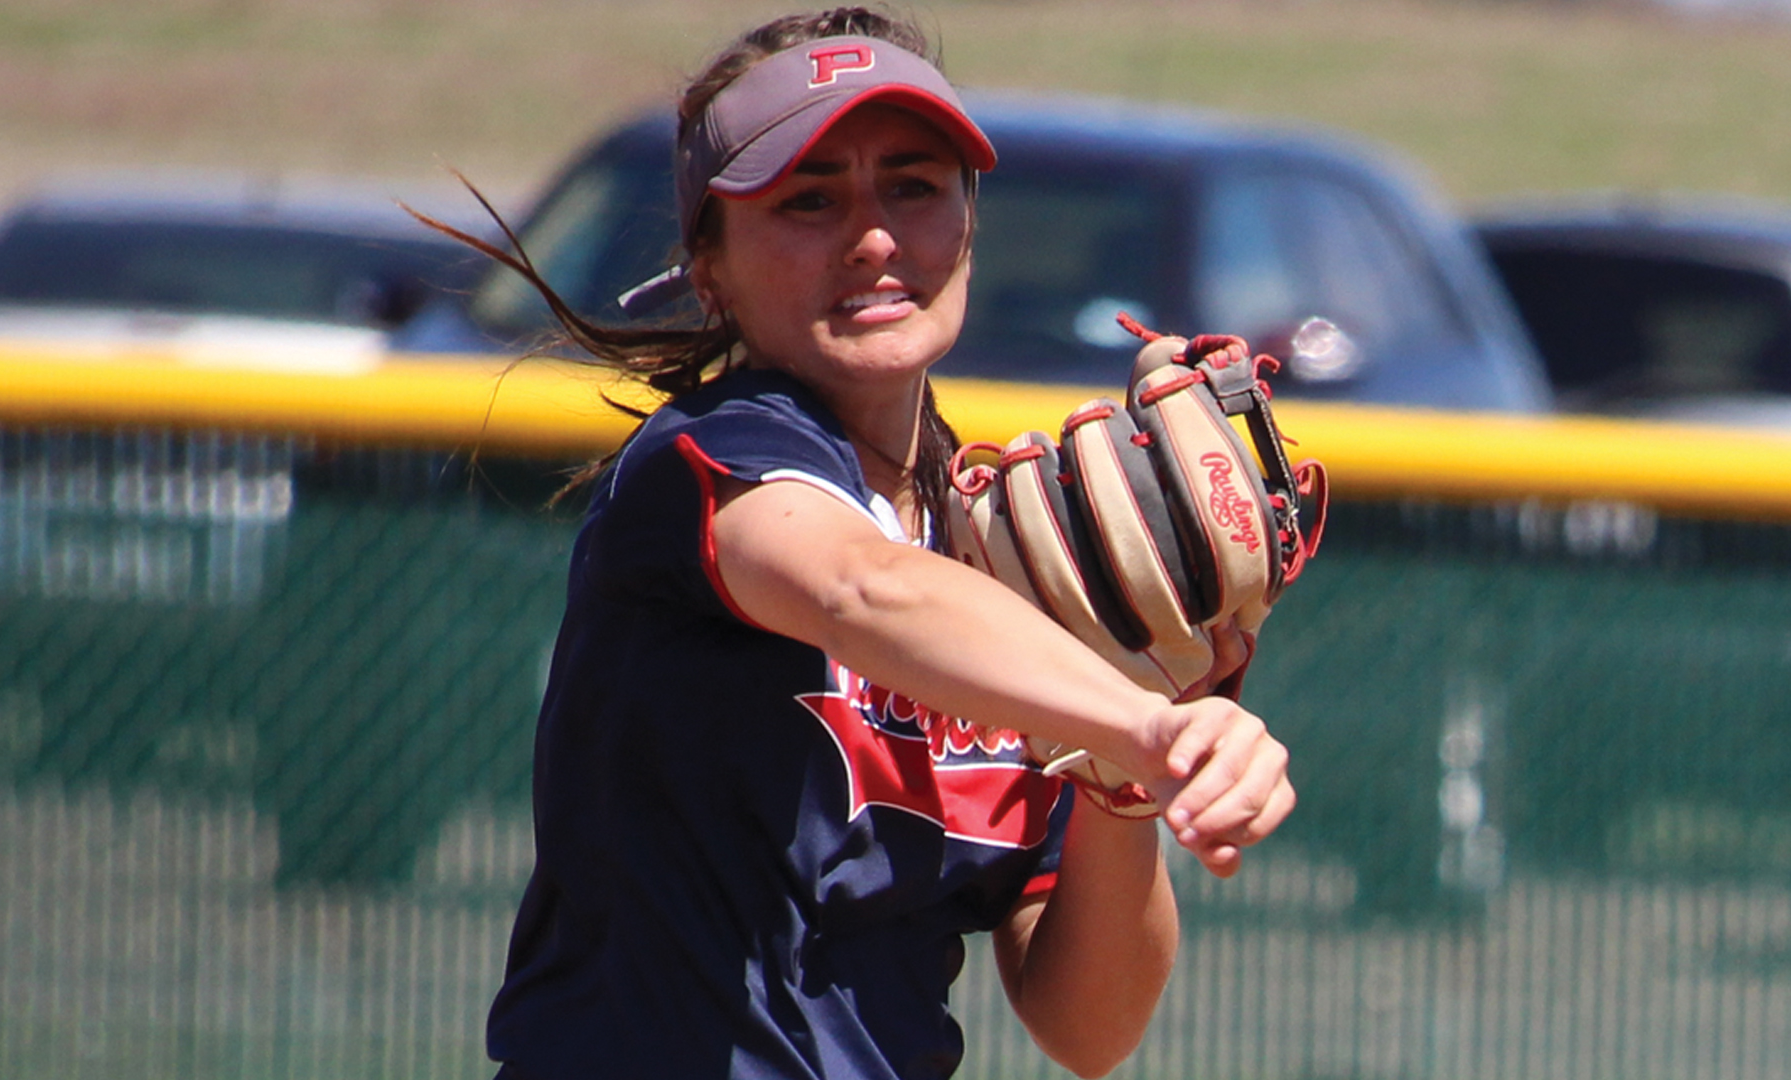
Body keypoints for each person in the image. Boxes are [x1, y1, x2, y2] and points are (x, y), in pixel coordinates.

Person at [454, 8, 1295, 1079]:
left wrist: (1122, 785)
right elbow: (858, 588)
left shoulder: (1007, 568)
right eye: (810, 200)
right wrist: (1144, 724)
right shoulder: (712, 460)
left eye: (913, 184)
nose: (875, 236)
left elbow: (1088, 1029)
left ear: (970, 222)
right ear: (707, 266)